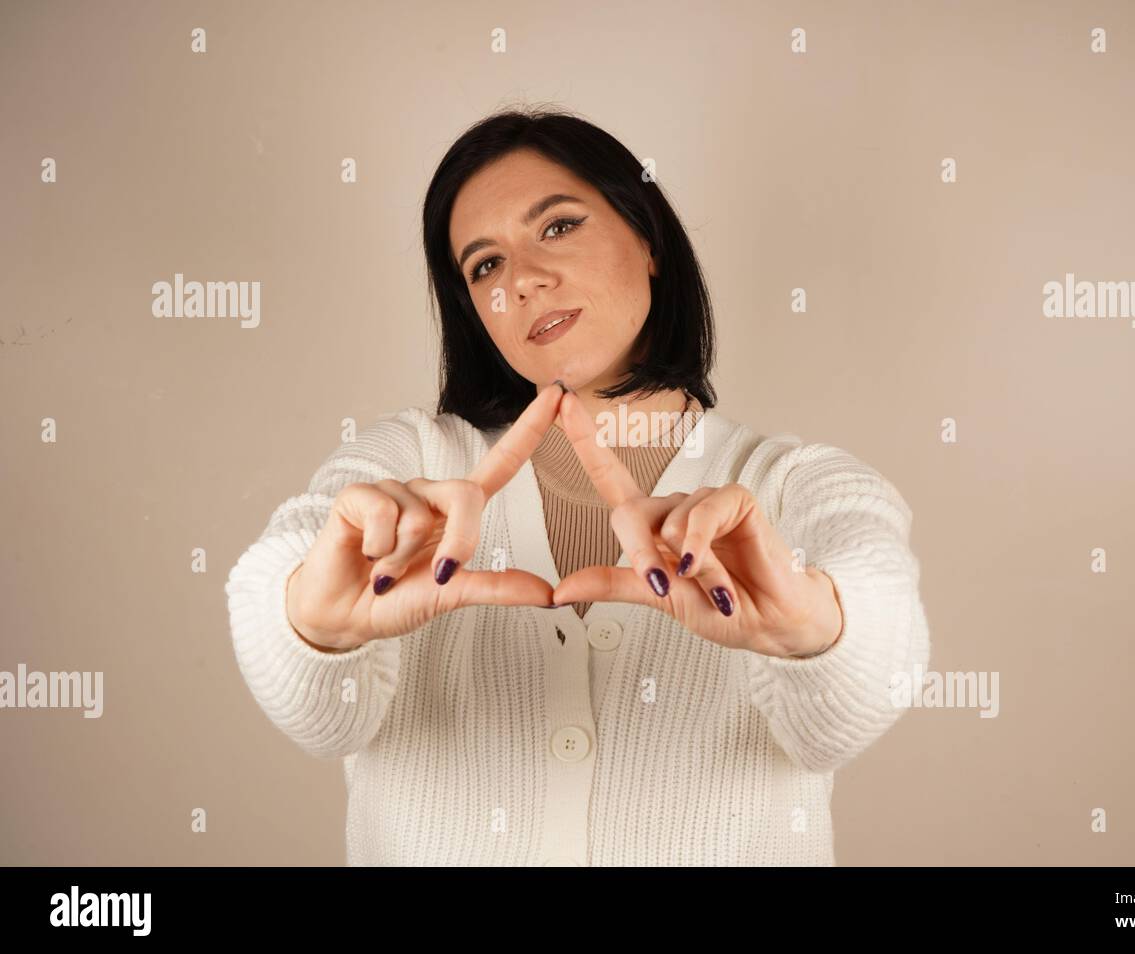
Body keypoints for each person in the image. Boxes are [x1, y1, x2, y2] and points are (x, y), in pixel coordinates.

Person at [225, 107, 931, 866]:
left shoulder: (794, 485)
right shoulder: (408, 460)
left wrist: (811, 629)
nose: (524, 279)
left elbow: (865, 682)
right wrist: (314, 627)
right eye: (485, 265)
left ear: (648, 239)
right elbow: (314, 695)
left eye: (557, 226)